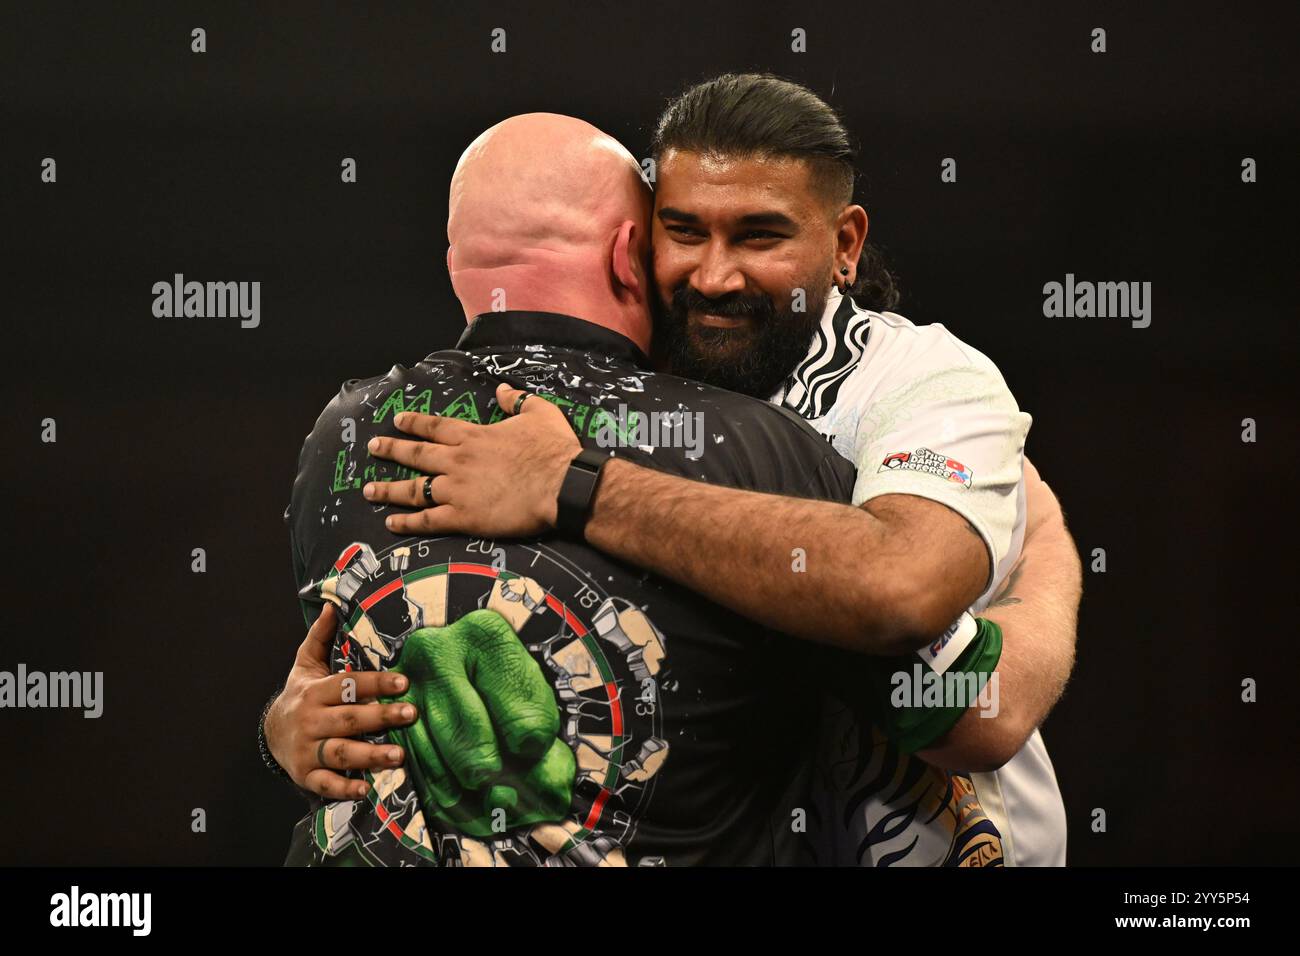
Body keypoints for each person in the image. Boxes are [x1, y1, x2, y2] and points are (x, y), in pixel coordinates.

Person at [359, 75, 1081, 865]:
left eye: (760, 236)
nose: (713, 276)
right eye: (685, 230)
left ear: (844, 246)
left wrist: (576, 486)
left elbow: (953, 670)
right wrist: (301, 720)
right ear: (636, 239)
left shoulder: (923, 380)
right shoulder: (595, 384)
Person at [272, 112, 882, 866]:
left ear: (459, 263)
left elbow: (330, 689)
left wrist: (277, 726)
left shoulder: (342, 434)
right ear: (632, 255)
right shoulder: (759, 449)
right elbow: (939, 703)